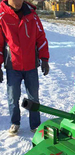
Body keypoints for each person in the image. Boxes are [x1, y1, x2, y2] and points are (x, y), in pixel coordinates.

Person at [0, 0, 50, 135]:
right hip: (12, 65)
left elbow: (41, 38)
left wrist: (44, 59)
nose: (17, 2)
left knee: (34, 97)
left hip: (31, 65)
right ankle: (15, 122)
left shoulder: (32, 15)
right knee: (13, 96)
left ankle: (35, 125)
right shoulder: (2, 16)